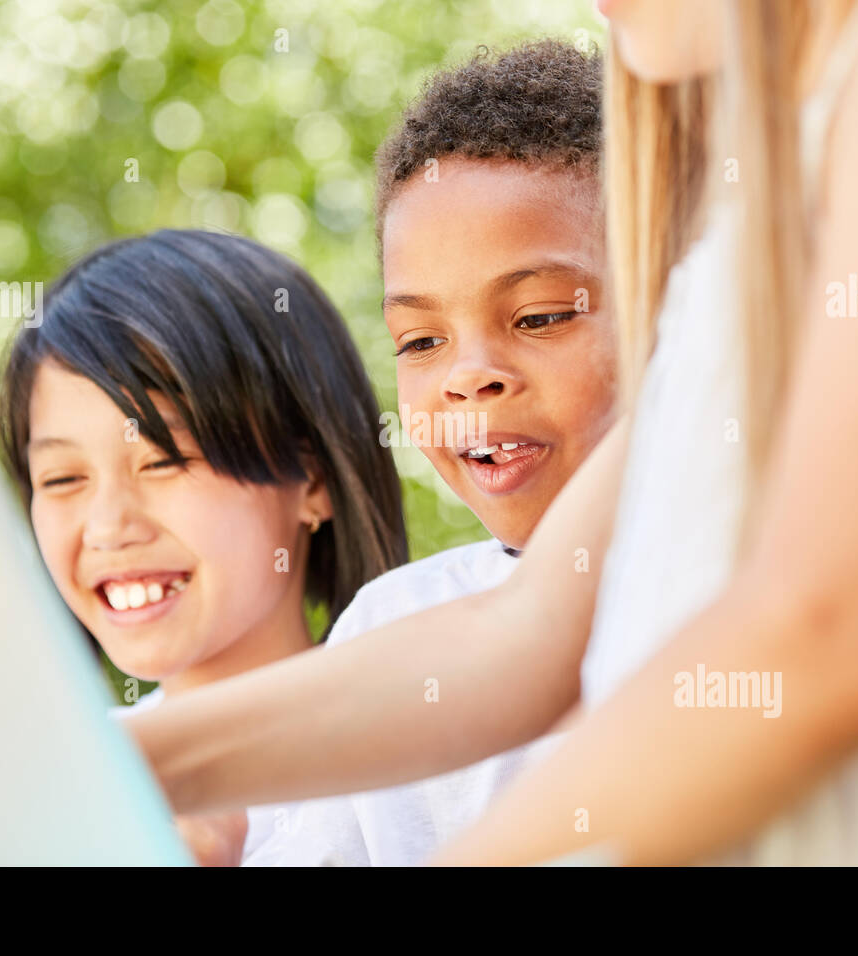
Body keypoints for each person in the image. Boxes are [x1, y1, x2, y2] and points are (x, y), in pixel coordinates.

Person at [127, 0, 858, 867]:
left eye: (542, 317)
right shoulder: (752, 236)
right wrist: (126, 759)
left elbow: (824, 636)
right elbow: (513, 639)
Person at [245, 39, 617, 865]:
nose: (469, 377)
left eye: (542, 317)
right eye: (420, 340)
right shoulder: (391, 624)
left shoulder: (743, 590)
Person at [0, 229, 407, 864]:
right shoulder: (41, 799)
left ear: (313, 480)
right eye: (62, 479)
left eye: (163, 461)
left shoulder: (427, 737)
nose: (107, 528)